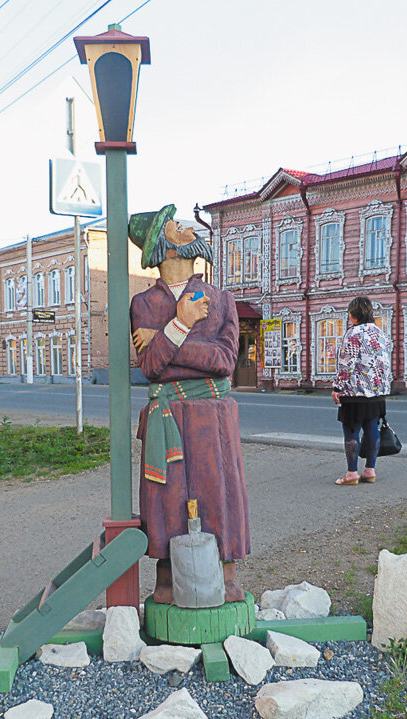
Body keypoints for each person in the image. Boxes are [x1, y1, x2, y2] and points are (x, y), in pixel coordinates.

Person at [128, 204, 250, 604]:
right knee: (166, 497)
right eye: (176, 225)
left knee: (218, 490)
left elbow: (223, 363)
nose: (186, 227)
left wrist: (166, 336)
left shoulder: (220, 299)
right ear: (162, 247)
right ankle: (166, 581)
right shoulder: (142, 305)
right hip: (167, 416)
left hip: (212, 416)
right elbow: (149, 367)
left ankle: (227, 575)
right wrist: (179, 323)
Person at [331, 296, 392, 485]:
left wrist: (337, 387)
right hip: (377, 391)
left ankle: (351, 474)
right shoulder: (380, 333)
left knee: (352, 430)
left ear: (353, 314)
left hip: (355, 391)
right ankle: (370, 471)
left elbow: (346, 363)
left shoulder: (353, 333)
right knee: (372, 428)